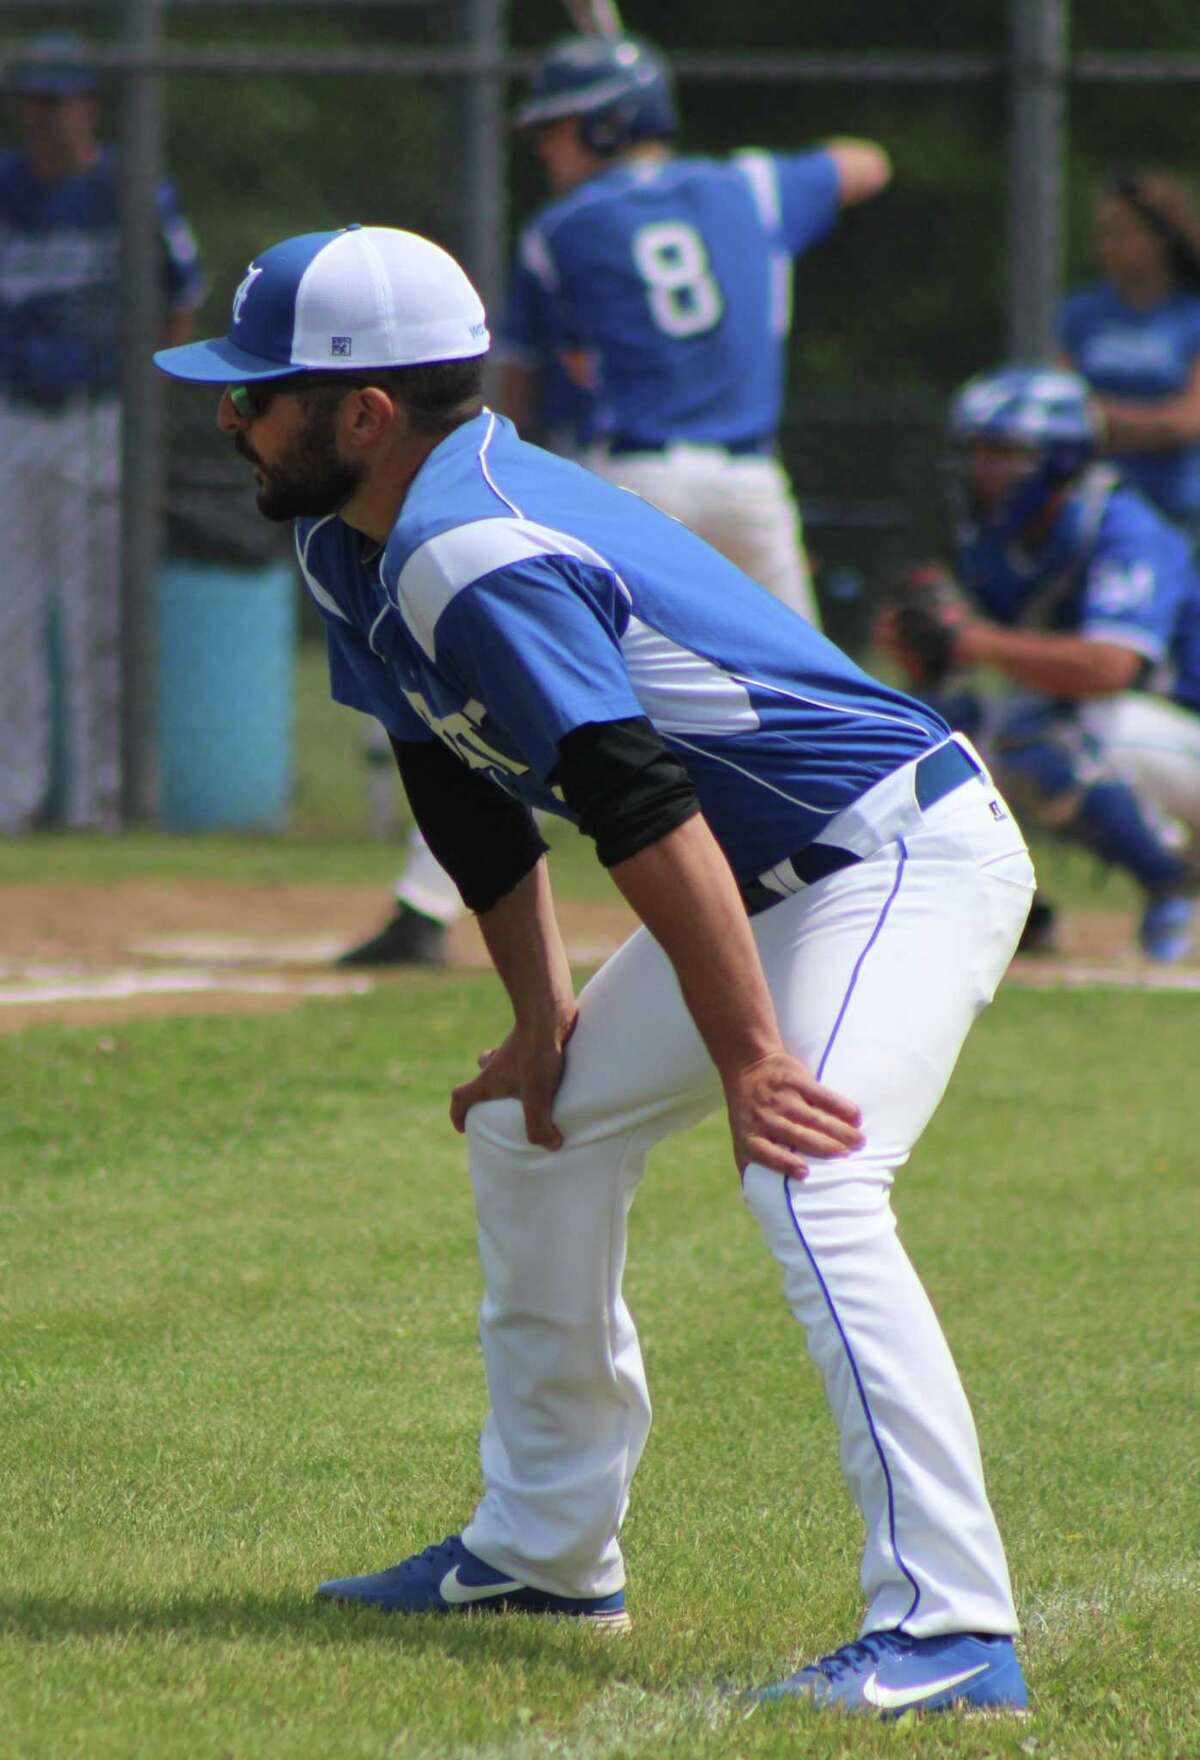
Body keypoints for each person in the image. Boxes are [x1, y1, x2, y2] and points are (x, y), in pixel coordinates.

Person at [156, 224, 1034, 1717]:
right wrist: (536, 1021)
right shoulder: (349, 534)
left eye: (262, 391)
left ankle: (951, 1631)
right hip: (763, 879)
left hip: (898, 853)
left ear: (365, 413)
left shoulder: (467, 544)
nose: (231, 415)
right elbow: (458, 784)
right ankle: (548, 1550)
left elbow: (638, 802)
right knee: (532, 1125)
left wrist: (754, 1055)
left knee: (811, 1174)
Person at [498, 33, 892, 626]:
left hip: (635, 482)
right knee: (811, 696)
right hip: (751, 488)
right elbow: (869, 164)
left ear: (607, 125)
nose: (544, 149)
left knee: (631, 685)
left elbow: (519, 389)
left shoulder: (558, 229)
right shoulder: (752, 187)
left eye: (556, 128)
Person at [878, 366, 1200, 962]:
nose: (984, 467)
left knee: (1040, 742)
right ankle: (1021, 911)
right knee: (931, 735)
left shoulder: (1122, 526)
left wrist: (971, 640)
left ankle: (1174, 882)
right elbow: (968, 662)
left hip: (1178, 728)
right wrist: (924, 649)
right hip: (1116, 731)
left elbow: (1110, 667)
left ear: (1060, 459)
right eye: (977, 450)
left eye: (1004, 452)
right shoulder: (998, 533)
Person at [336, 262, 598, 969]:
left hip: (616, 460)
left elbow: (532, 369)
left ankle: (424, 904)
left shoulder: (568, 231)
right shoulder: (743, 195)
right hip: (752, 482)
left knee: (521, 705)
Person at [0, 33, 205, 834]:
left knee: (98, 624)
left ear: (90, 105)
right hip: (13, 417)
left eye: (62, 100)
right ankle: (13, 799)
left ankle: (100, 802)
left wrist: (149, 404)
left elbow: (178, 297)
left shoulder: (130, 189)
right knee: (9, 621)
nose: (47, 118)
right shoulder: (7, 188)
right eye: (34, 101)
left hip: (97, 416)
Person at [1058, 170, 1200, 542]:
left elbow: (1185, 424)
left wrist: (1098, 418)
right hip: (1091, 509)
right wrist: (1150, 423)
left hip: (1174, 513)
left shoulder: (1191, 318)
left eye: (1119, 233)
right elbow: (1060, 411)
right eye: (1101, 234)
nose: (1105, 246)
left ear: (1159, 239)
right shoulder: (1080, 314)